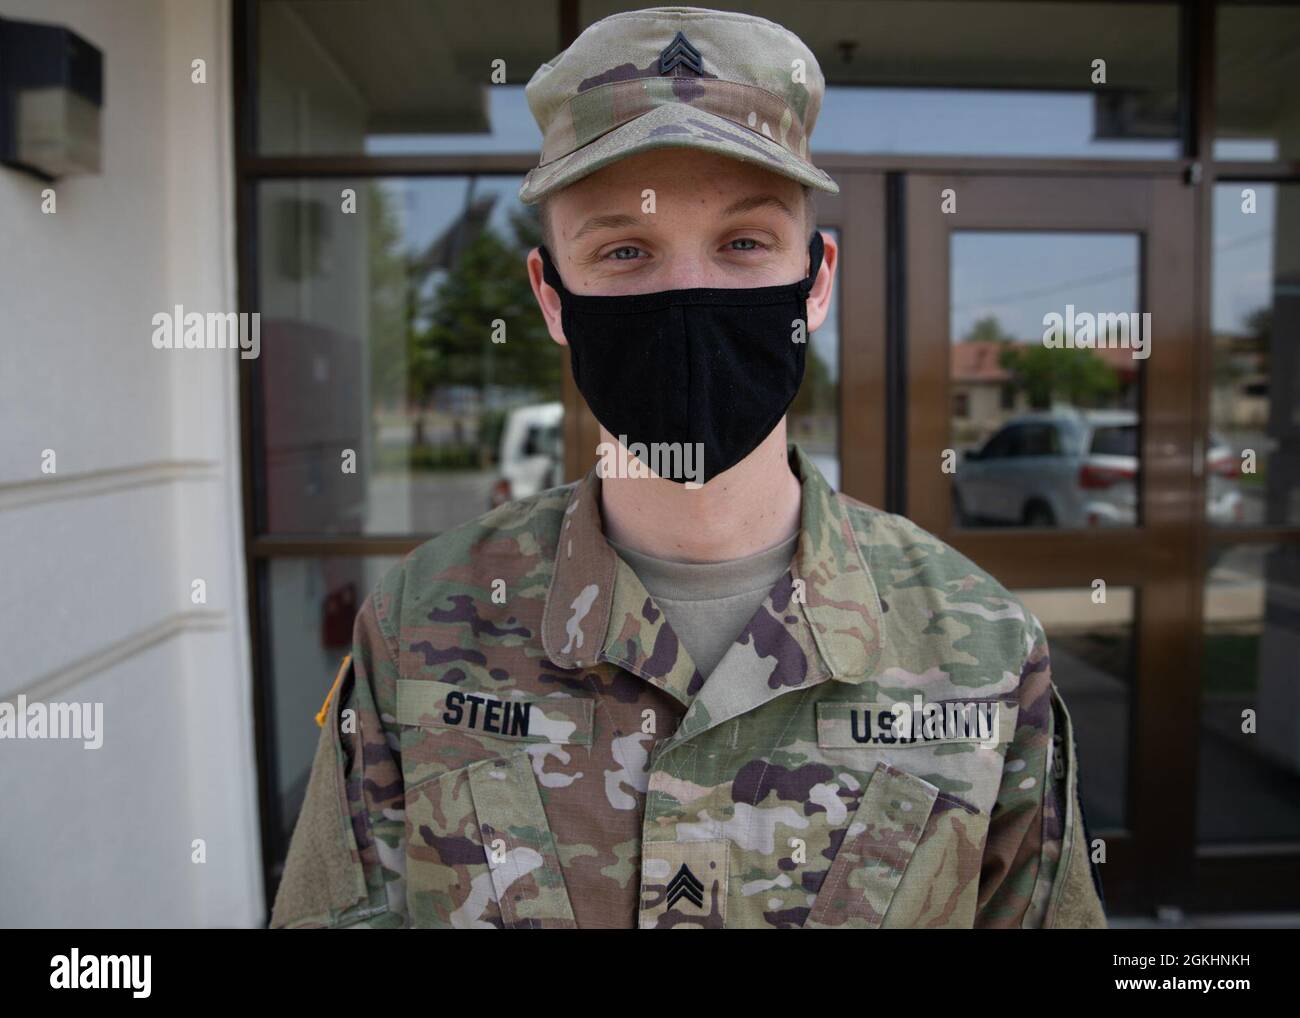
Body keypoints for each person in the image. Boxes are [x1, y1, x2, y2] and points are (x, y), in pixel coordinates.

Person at [270, 5, 1106, 930]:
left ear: (816, 281)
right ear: (552, 297)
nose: (686, 296)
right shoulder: (418, 628)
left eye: (744, 244)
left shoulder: (983, 650)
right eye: (623, 251)